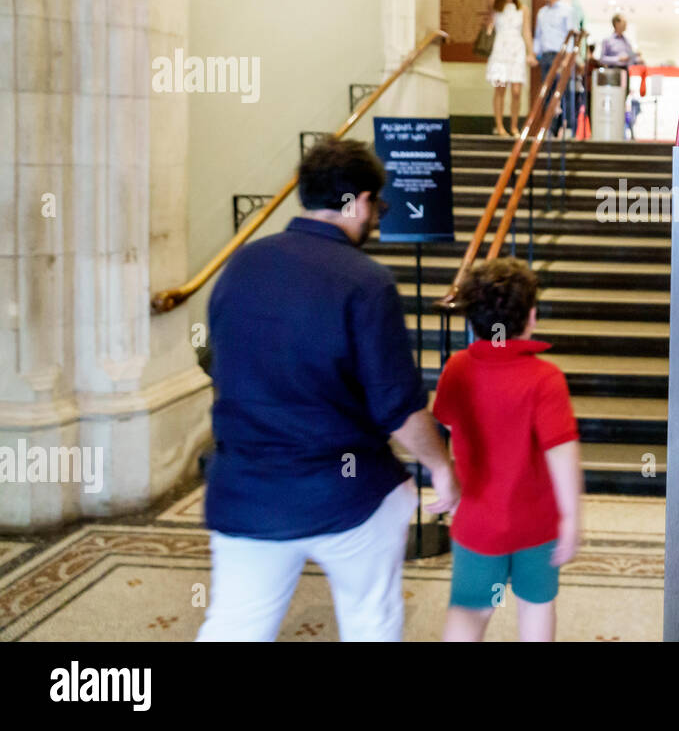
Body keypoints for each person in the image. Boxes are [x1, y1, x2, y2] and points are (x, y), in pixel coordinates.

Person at [197, 136, 460, 642]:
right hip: (344, 492)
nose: (376, 217)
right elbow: (399, 409)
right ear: (356, 201)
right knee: (370, 618)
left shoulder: (240, 266)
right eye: (376, 205)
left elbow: (219, 362)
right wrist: (441, 467)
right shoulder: (365, 281)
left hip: (244, 488)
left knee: (234, 626)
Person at [434, 258, 583, 642]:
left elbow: (450, 427)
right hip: (537, 523)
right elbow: (562, 453)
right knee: (535, 606)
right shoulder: (545, 378)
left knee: (471, 607)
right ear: (531, 316)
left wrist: (449, 481)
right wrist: (570, 517)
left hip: (479, 518)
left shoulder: (457, 368)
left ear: (471, 320)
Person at [485, 0, 535, 137]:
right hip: (501, 49)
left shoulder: (523, 9)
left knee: (516, 91)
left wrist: (531, 53)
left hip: (517, 49)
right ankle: (499, 126)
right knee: (500, 89)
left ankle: (514, 126)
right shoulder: (496, 7)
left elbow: (526, 32)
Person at [532, 0, 576, 135]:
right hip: (546, 57)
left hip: (562, 56)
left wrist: (567, 59)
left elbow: (571, 36)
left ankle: (569, 127)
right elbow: (538, 36)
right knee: (547, 92)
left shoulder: (567, 11)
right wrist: (535, 55)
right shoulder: (541, 13)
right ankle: (550, 128)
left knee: (564, 92)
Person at [598, 14, 643, 139]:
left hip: (625, 73)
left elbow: (630, 59)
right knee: (613, 102)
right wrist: (618, 59)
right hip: (613, 74)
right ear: (616, 23)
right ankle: (610, 130)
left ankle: (621, 131)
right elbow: (602, 59)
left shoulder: (627, 41)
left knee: (623, 101)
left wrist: (636, 58)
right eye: (623, 22)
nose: (626, 25)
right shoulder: (608, 41)